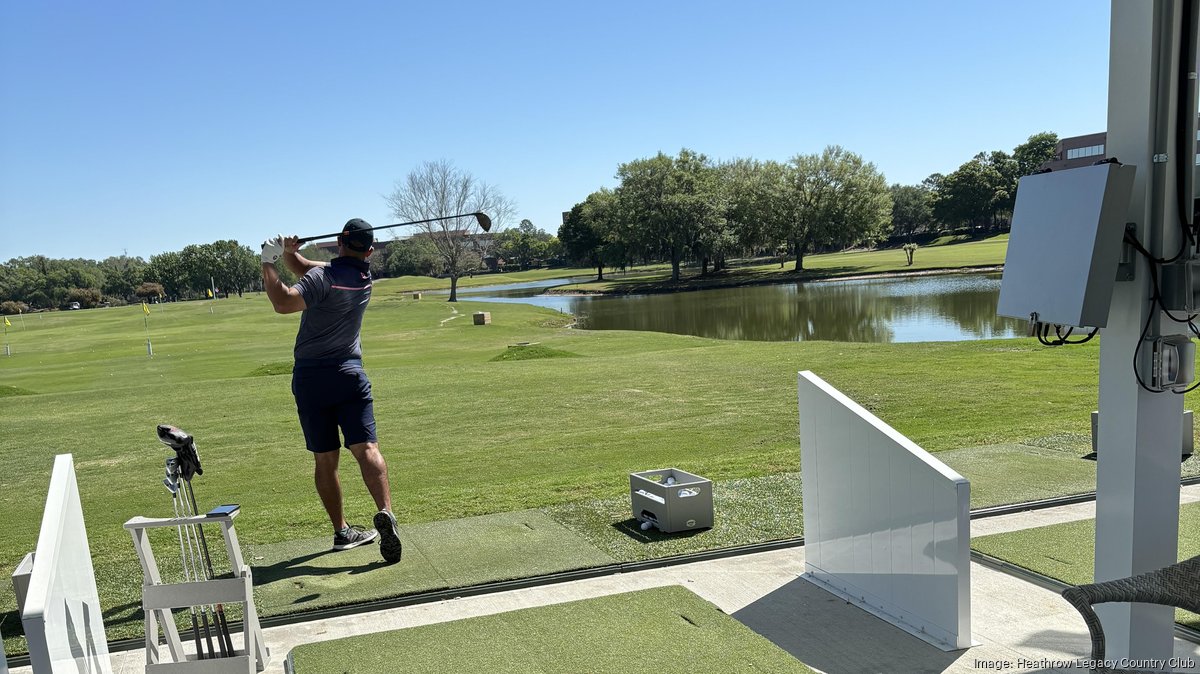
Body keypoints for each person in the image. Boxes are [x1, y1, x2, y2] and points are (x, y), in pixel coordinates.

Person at [260, 220, 402, 564]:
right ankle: (386, 513)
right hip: (349, 375)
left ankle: (341, 531)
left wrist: (268, 260)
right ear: (369, 251)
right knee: (366, 448)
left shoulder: (323, 277)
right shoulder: (363, 279)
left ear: (338, 242)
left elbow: (283, 301)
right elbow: (307, 268)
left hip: (311, 380)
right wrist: (292, 254)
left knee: (325, 458)